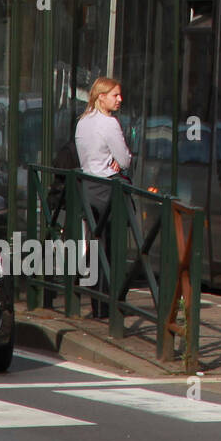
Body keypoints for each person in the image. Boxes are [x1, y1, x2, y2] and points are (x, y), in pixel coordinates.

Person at [75, 77, 132, 317]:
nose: (119, 99)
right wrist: (117, 162)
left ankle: (96, 304)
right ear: (101, 97)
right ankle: (109, 306)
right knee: (113, 248)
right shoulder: (110, 124)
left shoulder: (82, 122)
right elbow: (126, 160)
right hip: (109, 190)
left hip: (87, 187)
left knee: (96, 246)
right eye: (115, 95)